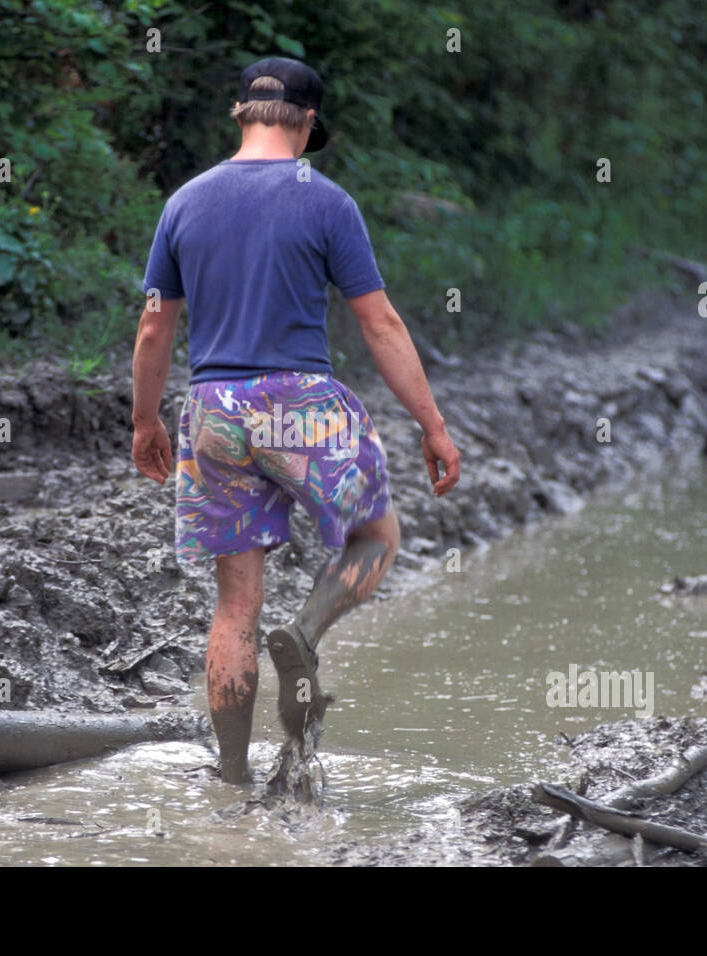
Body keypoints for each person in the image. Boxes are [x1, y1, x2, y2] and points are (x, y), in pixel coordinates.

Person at [131, 56, 460, 784]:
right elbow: (379, 323)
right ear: (308, 123)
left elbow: (155, 329)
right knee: (376, 535)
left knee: (234, 606)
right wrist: (432, 426)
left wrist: (145, 420)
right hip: (302, 405)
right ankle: (306, 633)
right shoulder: (326, 199)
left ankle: (230, 775)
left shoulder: (185, 201)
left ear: (239, 114)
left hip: (214, 410)